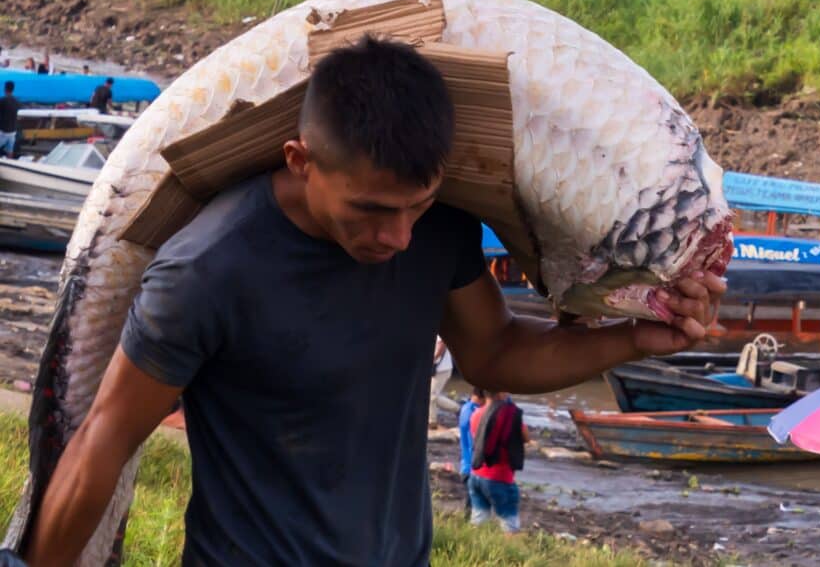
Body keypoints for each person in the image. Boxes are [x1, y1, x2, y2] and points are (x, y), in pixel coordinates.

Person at [23, 37, 724, 566]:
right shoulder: (208, 269)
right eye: (371, 209)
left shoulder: (438, 229)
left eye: (415, 205)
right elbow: (103, 441)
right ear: (301, 160)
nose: (396, 235)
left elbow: (495, 350)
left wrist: (635, 338)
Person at [468, 390, 528, 533]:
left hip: (476, 474)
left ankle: (475, 550)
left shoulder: (476, 414)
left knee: (478, 520)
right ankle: (510, 553)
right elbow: (526, 437)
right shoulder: (508, 415)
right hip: (499, 476)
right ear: (501, 394)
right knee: (509, 524)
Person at [457, 387, 486, 517]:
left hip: (466, 465)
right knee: (474, 509)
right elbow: (476, 443)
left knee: (472, 506)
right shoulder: (474, 413)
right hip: (473, 468)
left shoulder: (466, 407)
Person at [429, 335, 453, 429]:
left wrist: (431, 360)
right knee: (433, 396)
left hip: (442, 369)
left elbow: (441, 345)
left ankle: (432, 422)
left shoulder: (439, 330)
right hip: (439, 369)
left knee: (431, 396)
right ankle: (458, 408)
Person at [0, 82, 18, 159]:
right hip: (13, 131)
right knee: (9, 152)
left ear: (5, 89)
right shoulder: (16, 101)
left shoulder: (2, 100)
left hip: (4, 131)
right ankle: (9, 165)